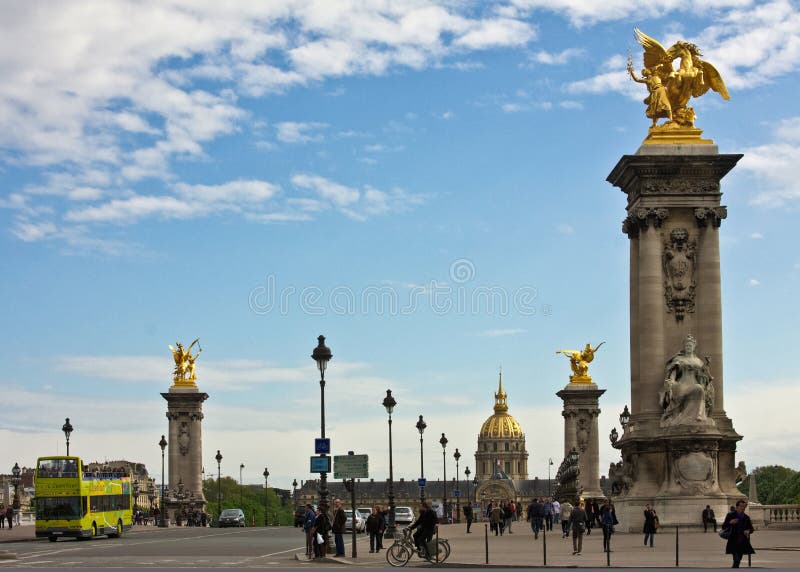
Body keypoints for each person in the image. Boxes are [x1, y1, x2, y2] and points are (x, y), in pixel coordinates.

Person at [628, 61, 672, 127]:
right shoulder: (647, 80)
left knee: (666, 104)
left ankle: (671, 119)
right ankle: (654, 124)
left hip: (661, 90)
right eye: (645, 72)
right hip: (654, 93)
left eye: (646, 70)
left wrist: (662, 61)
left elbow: (659, 65)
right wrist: (631, 72)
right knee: (654, 109)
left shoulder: (656, 75)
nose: (646, 71)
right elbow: (637, 79)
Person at [722, 500, 755, 568]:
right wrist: (730, 522)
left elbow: (751, 529)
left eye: (744, 506)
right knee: (736, 559)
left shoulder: (746, 517)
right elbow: (723, 526)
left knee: (738, 559)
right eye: (741, 506)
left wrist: (748, 531)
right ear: (737, 507)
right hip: (733, 539)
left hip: (742, 540)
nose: (743, 508)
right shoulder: (730, 515)